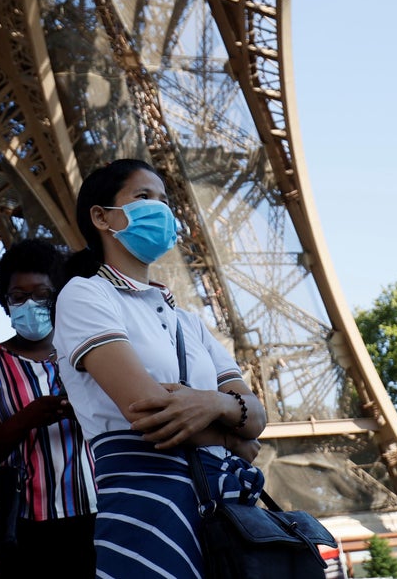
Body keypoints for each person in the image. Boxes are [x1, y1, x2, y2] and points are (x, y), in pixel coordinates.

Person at [52, 159, 268, 577]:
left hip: (223, 512)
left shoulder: (189, 320)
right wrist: (231, 430)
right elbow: (150, 412)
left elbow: (257, 415)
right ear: (101, 216)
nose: (161, 210)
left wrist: (212, 405)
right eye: (143, 197)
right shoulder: (84, 295)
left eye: (165, 201)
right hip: (146, 506)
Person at [0, 238, 97, 577]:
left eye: (41, 294)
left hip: (102, 514)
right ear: (5, 303)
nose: (30, 304)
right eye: (18, 297)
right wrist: (28, 417)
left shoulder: (93, 352)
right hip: (24, 527)